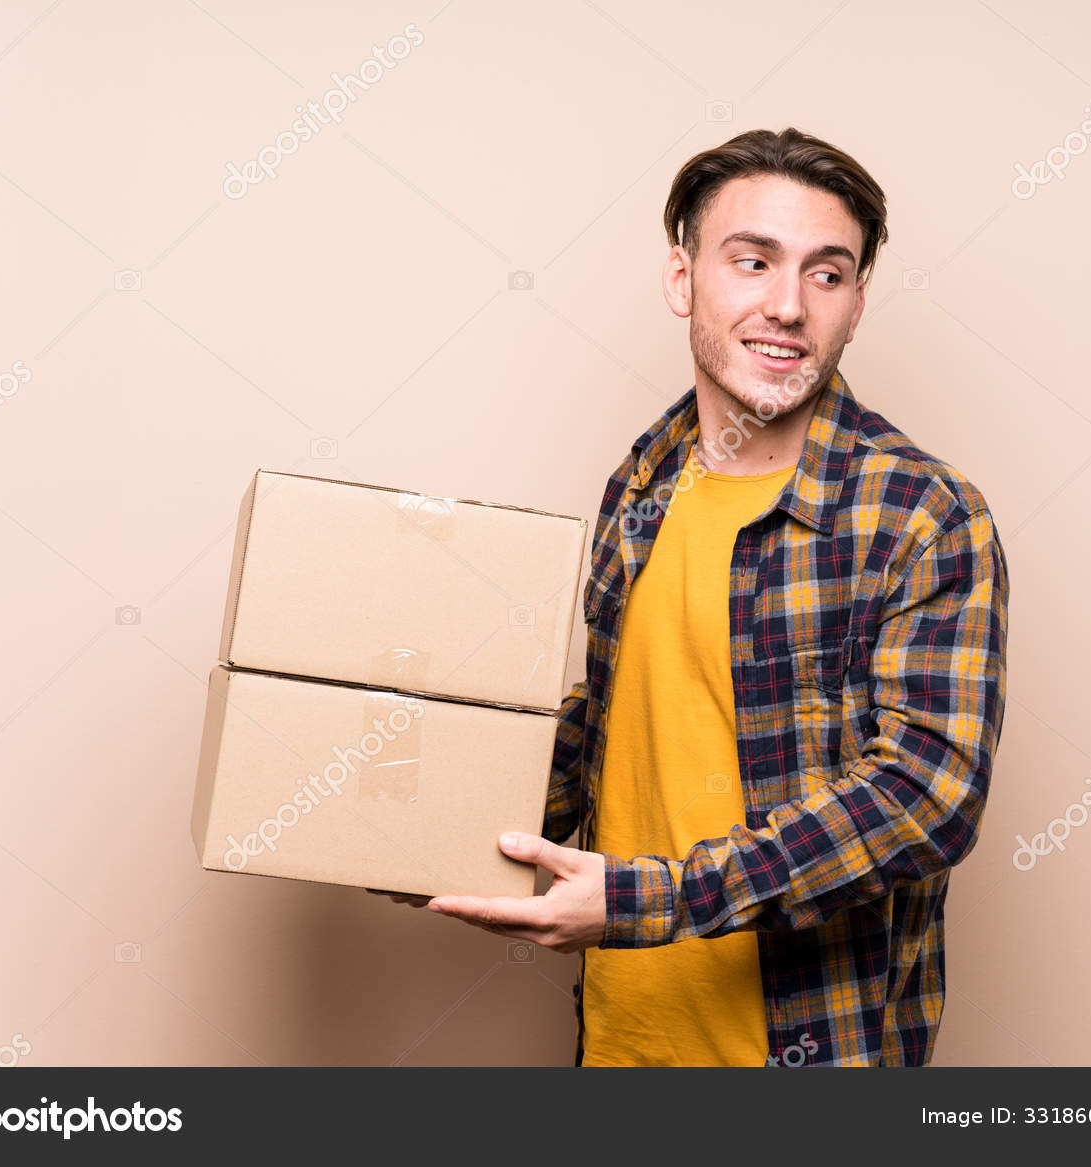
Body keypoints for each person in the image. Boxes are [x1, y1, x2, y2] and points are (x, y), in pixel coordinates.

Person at [377, 127, 1010, 1067]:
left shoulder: (922, 512)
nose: (787, 306)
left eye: (826, 275)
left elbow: (925, 797)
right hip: (623, 1044)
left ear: (857, 305)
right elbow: (612, 734)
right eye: (751, 262)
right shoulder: (644, 480)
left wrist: (643, 902)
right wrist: (406, 827)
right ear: (684, 279)